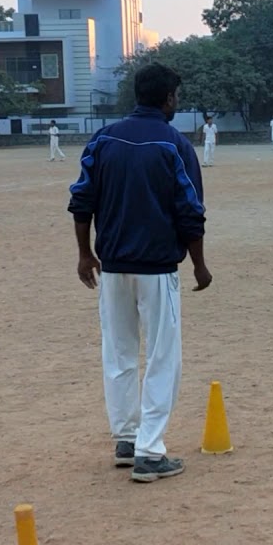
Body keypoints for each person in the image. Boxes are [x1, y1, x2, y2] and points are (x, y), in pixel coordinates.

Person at [68, 62, 212, 483]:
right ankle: (150, 451)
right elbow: (191, 212)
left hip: (112, 267)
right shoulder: (173, 144)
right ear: (168, 98)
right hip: (156, 268)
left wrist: (83, 255)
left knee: (119, 353)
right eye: (176, 96)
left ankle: (128, 439)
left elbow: (81, 200)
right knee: (164, 357)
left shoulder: (104, 138)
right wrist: (199, 265)